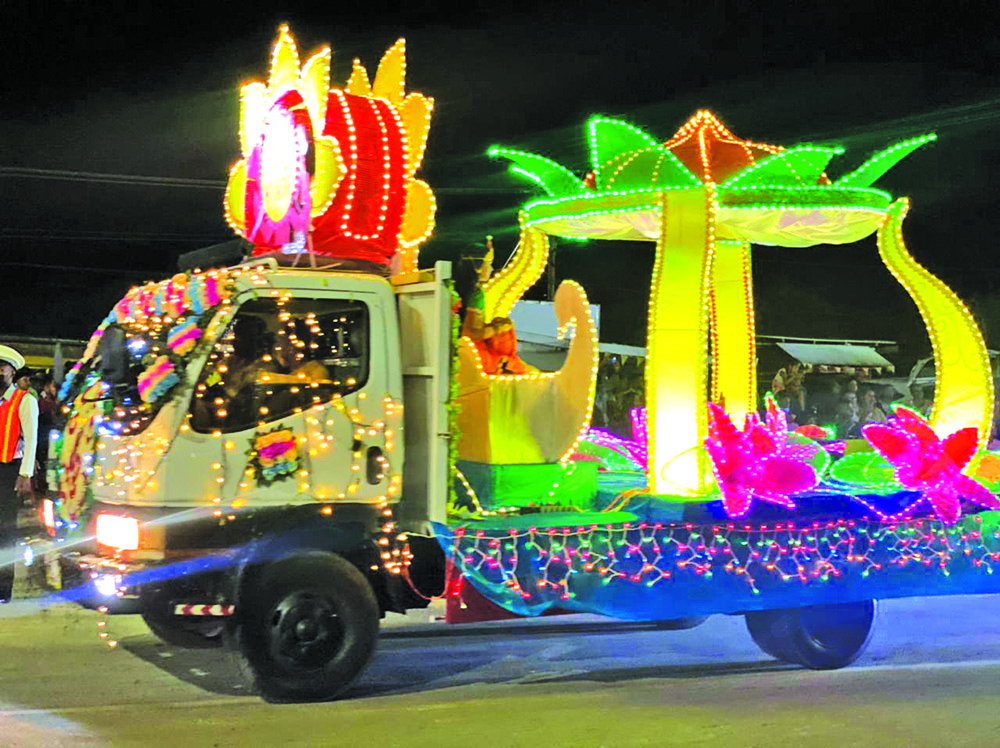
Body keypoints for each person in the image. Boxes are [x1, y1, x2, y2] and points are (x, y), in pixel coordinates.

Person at [454, 236, 530, 375]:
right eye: (488, 264)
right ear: (478, 267)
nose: (491, 269)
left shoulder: (455, 288)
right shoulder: (476, 295)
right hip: (474, 356)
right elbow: (469, 334)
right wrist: (497, 329)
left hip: (455, 350)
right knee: (516, 367)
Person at [0, 345, 38, 603]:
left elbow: (32, 438)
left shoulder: (24, 400)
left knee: (5, 531)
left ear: (12, 372)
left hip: (9, 470)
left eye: (1, 368)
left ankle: (3, 589)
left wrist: (25, 474)